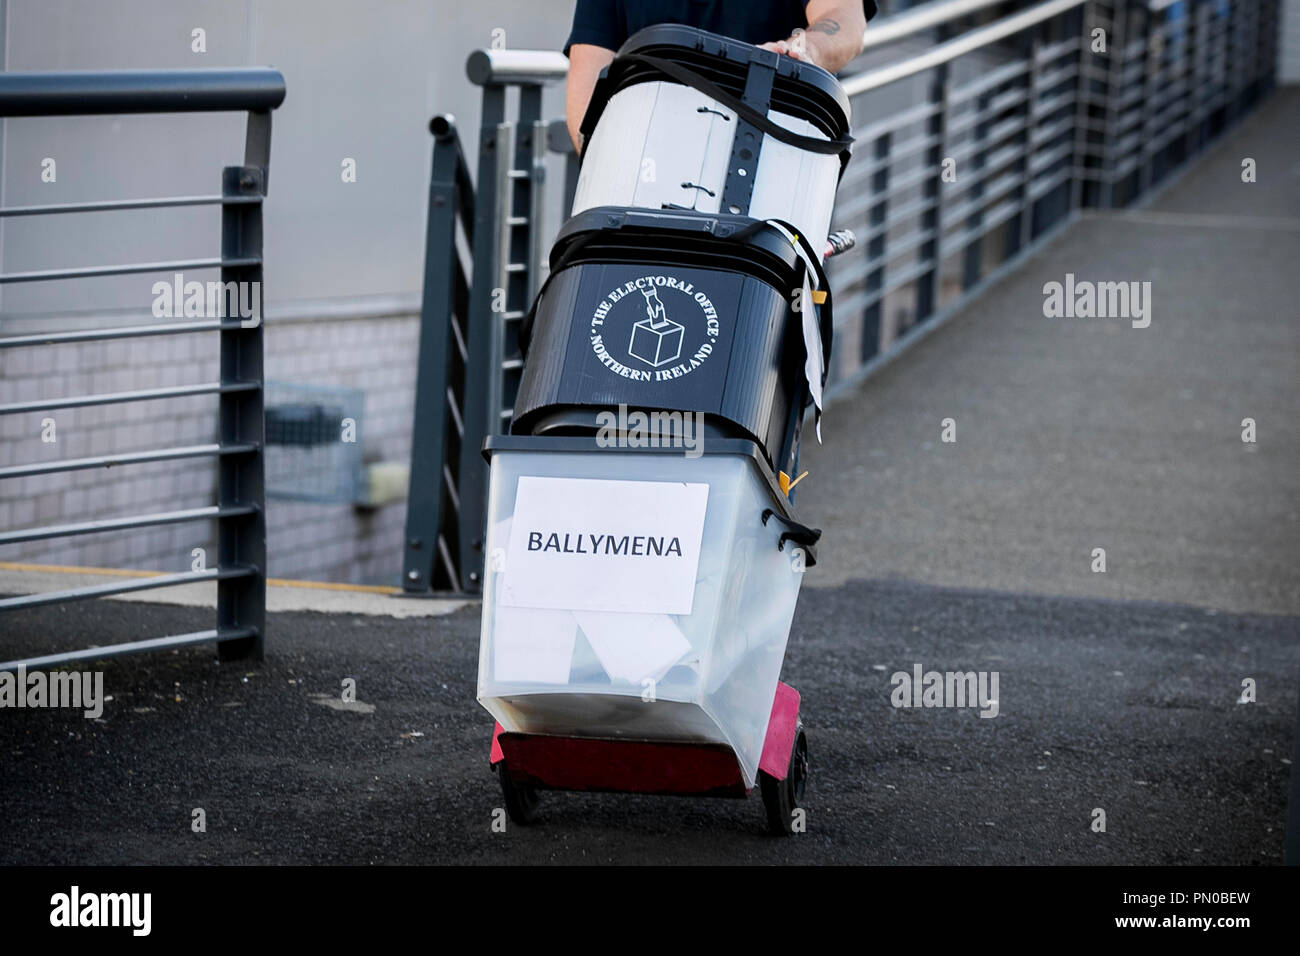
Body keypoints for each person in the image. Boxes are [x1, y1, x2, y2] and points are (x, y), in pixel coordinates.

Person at [564, 0, 876, 151]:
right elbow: (588, 86)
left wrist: (801, 51)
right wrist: (606, 164)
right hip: (647, 168)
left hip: (767, 162)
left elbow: (843, 19)